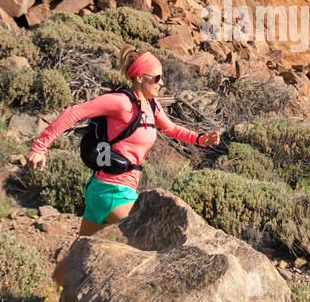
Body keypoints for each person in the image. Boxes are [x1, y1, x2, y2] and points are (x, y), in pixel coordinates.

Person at [24, 45, 220, 287]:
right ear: (139, 77)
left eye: (162, 77)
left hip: (107, 190)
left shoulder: (152, 106)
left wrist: (201, 139)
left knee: (78, 256)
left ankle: (47, 297)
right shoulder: (120, 103)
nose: (161, 83)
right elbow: (75, 112)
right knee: (149, 245)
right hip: (110, 191)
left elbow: (171, 129)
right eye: (156, 78)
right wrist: (40, 146)